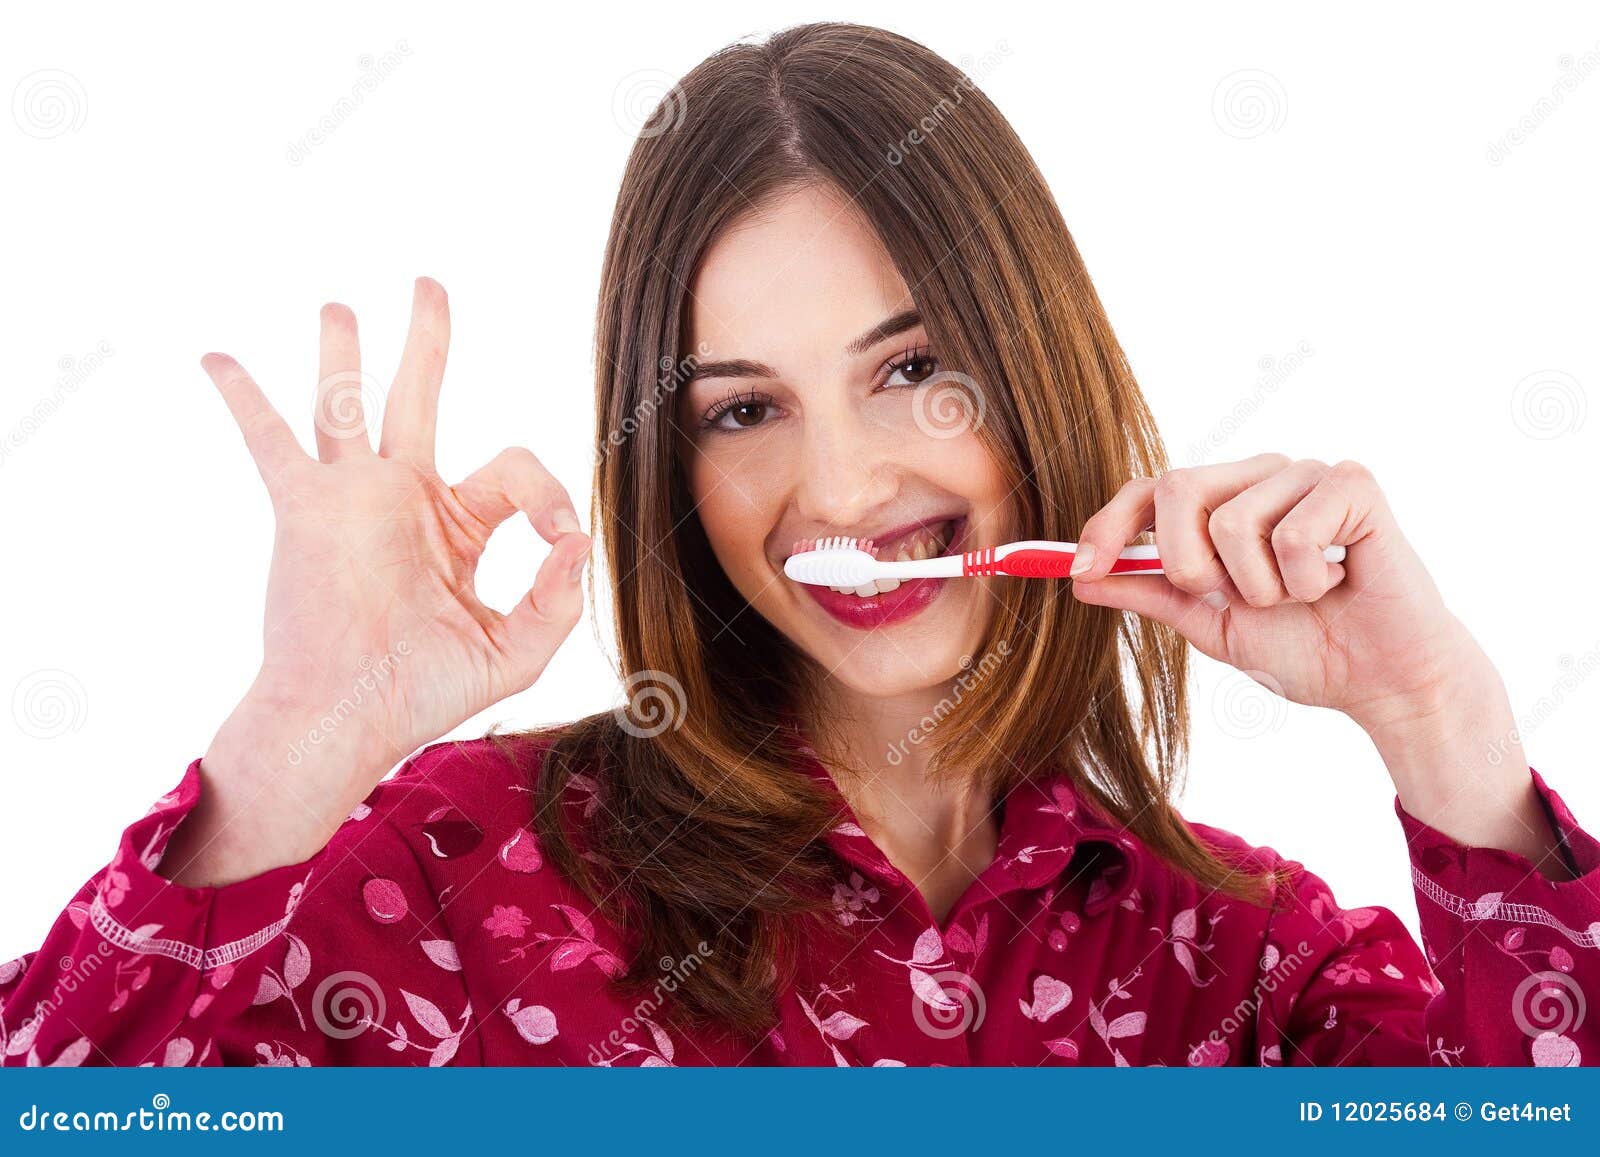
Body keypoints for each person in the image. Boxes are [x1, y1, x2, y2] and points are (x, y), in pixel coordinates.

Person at [2, 22, 1594, 1068]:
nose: (838, 487)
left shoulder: (1248, 968)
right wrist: (291, 746)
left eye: (912, 370)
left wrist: (1445, 731)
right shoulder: (453, 878)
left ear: (1036, 370)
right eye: (744, 410)